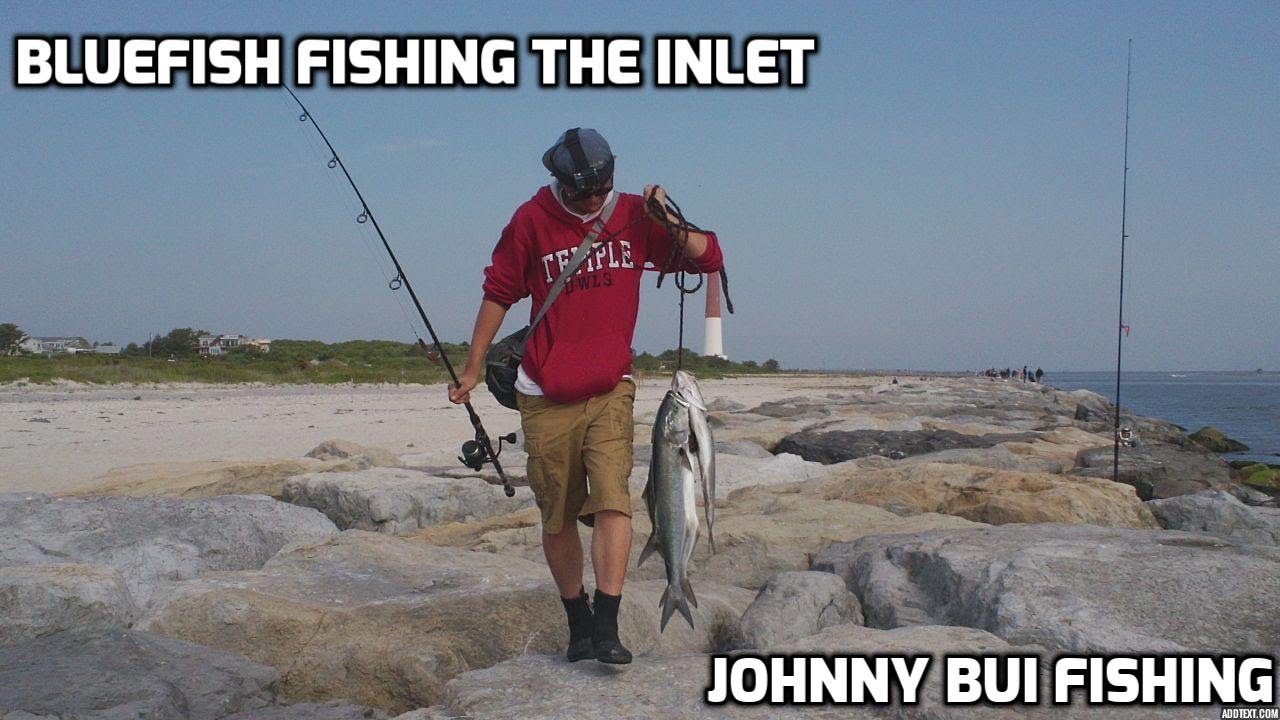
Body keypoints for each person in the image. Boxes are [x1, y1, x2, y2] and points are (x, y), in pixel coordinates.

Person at [447, 128, 724, 665]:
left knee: (615, 500)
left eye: (603, 189)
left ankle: (607, 624)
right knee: (558, 515)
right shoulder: (529, 221)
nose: (596, 201)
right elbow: (498, 291)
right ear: (559, 183)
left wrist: (667, 219)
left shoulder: (634, 214)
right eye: (583, 195)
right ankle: (576, 620)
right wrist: (474, 366)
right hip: (545, 393)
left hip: (610, 388)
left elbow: (708, 257)